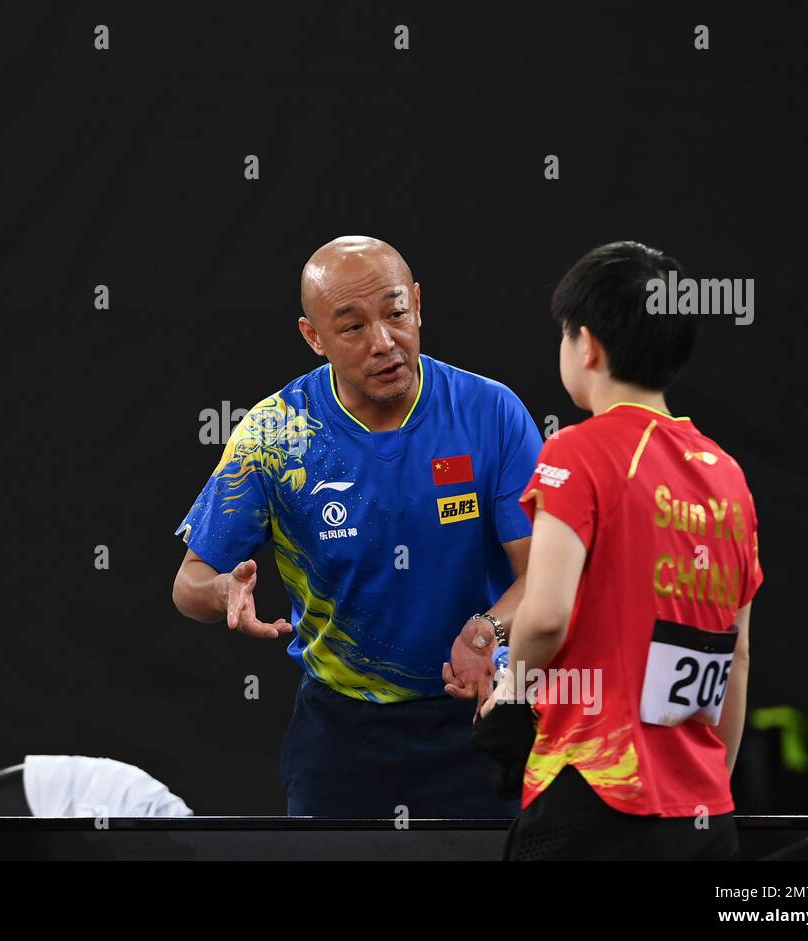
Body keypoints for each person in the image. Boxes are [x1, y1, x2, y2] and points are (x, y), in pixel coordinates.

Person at [172, 235, 543, 817]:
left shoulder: (491, 412)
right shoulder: (275, 436)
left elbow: (542, 576)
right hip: (340, 734)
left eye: (396, 314)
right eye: (351, 328)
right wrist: (221, 591)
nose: (384, 342)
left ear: (417, 304)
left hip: (478, 718)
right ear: (313, 337)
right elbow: (189, 582)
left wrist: (487, 630)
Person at [474, 241, 762, 859]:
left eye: (563, 333)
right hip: (701, 819)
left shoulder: (577, 453)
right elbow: (734, 658)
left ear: (589, 346)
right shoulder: (728, 477)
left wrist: (512, 691)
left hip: (591, 805)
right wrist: (709, 789)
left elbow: (546, 614)